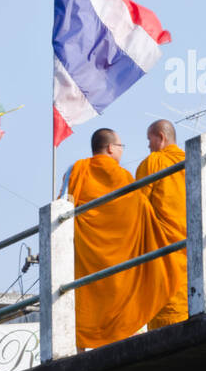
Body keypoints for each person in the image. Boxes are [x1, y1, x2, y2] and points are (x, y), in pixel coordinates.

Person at [64, 128, 180, 349]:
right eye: (120, 147)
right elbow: (142, 212)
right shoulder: (124, 177)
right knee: (118, 299)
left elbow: (63, 207)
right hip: (121, 258)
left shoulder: (76, 171)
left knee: (87, 300)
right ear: (110, 148)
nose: (122, 151)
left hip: (86, 256)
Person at [135, 120, 188, 329]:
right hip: (193, 251)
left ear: (161, 137)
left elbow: (136, 208)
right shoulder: (192, 160)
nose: (148, 146)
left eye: (150, 140)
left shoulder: (154, 162)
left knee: (166, 318)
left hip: (164, 255)